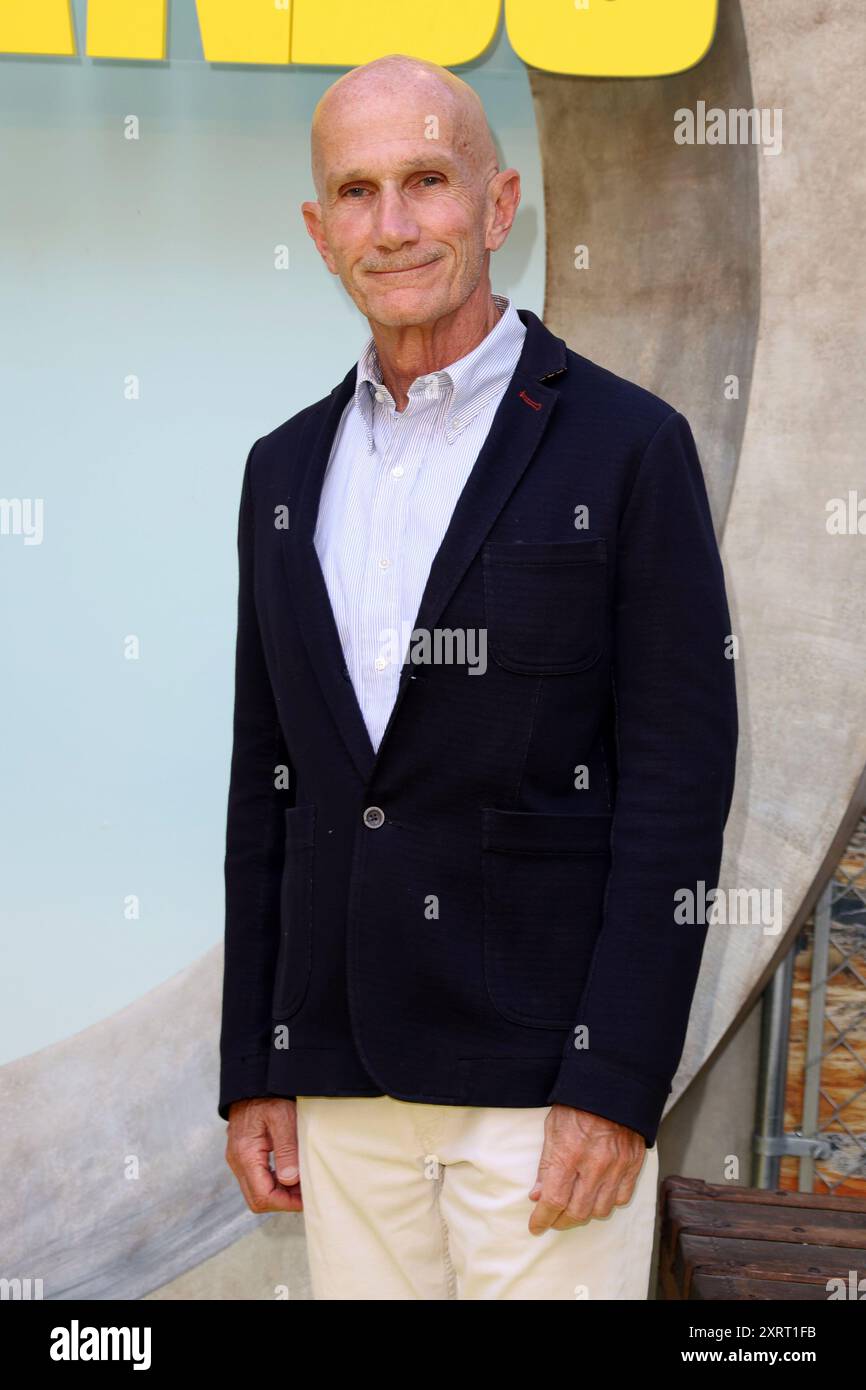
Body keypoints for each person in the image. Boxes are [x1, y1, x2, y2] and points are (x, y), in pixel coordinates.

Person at [219, 52, 738, 1300]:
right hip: (342, 1085)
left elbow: (675, 790)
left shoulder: (630, 447)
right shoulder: (279, 472)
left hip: (542, 1100)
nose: (390, 225)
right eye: (355, 191)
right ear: (317, 228)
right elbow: (266, 786)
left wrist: (612, 1080)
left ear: (499, 206)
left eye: (426, 181)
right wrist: (258, 1065)